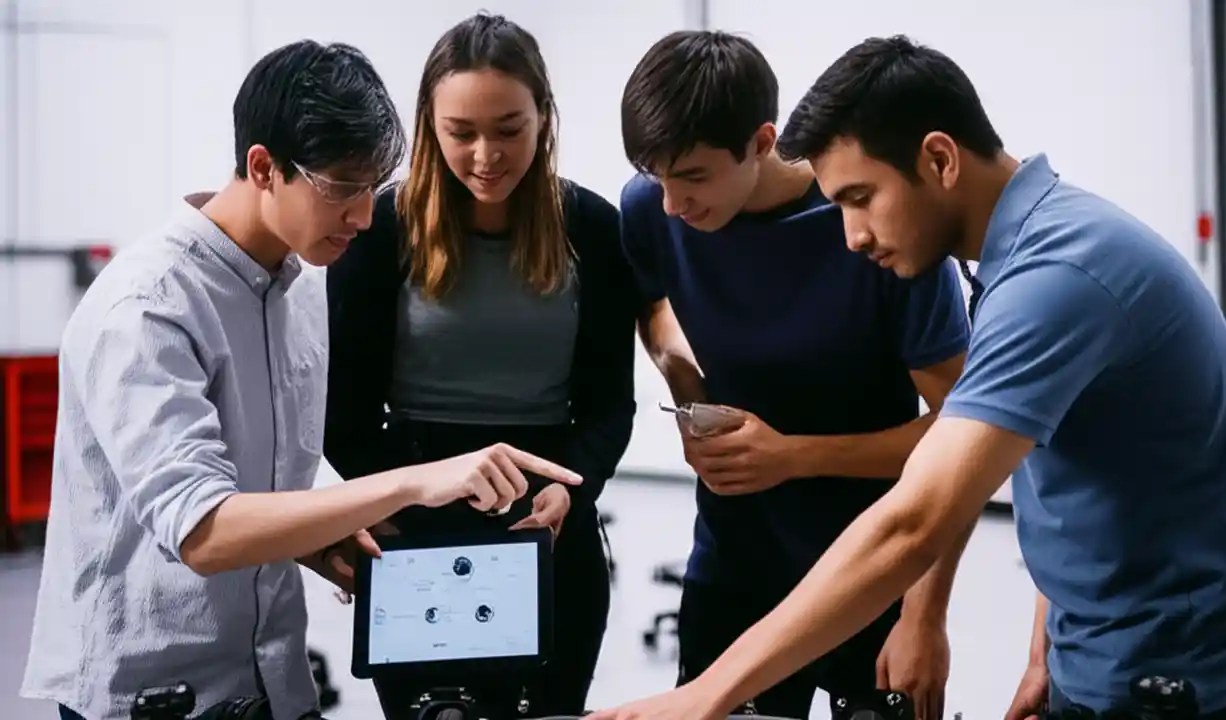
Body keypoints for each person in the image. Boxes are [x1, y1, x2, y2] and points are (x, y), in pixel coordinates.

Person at [589, 34, 1226, 720]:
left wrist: (705, 696)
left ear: (940, 160)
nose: (852, 235)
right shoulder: (1033, 253)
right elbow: (1072, 465)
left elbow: (915, 521)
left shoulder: (1056, 280)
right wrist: (1049, 650)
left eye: (861, 197)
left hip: (1189, 678)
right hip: (1100, 656)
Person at [19, 40, 580, 720]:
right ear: (264, 167)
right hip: (154, 696)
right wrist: (409, 483)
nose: (364, 216)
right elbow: (204, 531)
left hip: (273, 681)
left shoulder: (301, 289)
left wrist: (315, 538)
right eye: (343, 188)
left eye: (371, 189)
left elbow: (253, 486)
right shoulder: (146, 309)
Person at [614, 30, 973, 720]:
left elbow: (961, 434)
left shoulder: (870, 222)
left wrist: (923, 617)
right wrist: (687, 388)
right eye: (657, 178)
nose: (672, 205)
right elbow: (654, 306)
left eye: (693, 177)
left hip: (875, 557)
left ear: (761, 141)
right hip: (736, 555)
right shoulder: (649, 208)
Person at [323, 13, 639, 720]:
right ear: (429, 126)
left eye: (508, 129)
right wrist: (394, 502)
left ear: (543, 118)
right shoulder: (381, 228)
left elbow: (609, 404)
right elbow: (342, 412)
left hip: (548, 513)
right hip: (413, 513)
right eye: (461, 132)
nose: (486, 155)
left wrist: (570, 492)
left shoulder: (591, 227)